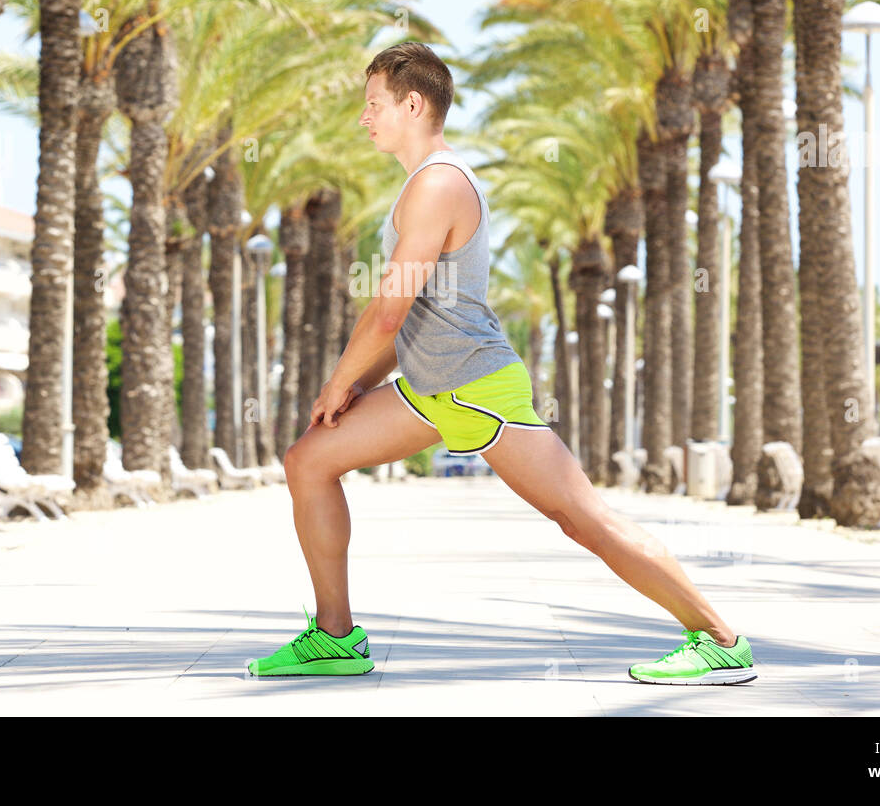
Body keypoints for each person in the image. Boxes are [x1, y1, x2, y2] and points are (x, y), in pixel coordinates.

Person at [246, 42, 755, 685]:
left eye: (373, 104)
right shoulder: (424, 181)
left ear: (413, 103)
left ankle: (719, 640)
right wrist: (360, 385)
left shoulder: (437, 184)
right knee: (309, 461)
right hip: (430, 390)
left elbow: (388, 311)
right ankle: (334, 638)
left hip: (477, 386)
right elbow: (404, 320)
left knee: (581, 517)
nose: (363, 117)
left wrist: (340, 381)